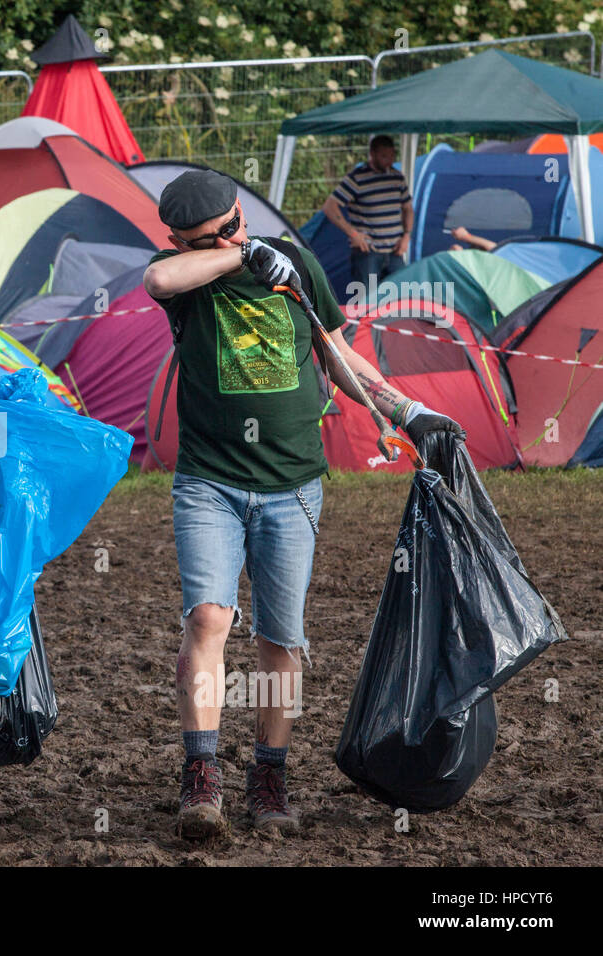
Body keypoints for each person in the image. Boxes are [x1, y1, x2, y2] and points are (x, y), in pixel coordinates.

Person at [142, 169, 464, 838]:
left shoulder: (299, 266)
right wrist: (238, 255)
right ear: (181, 240)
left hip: (292, 485)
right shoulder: (186, 277)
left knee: (279, 639)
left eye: (237, 223)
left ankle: (270, 775)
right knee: (207, 618)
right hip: (209, 482)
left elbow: (341, 357)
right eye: (214, 236)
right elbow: (157, 282)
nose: (235, 235)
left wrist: (409, 412)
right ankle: (201, 777)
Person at [322, 135, 414, 292]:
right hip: (368, 252)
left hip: (395, 250)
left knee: (402, 295)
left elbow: (408, 209)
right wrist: (353, 233)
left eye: (392, 156)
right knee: (366, 299)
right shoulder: (357, 178)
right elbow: (330, 206)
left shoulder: (397, 177)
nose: (389, 161)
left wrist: (406, 236)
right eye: (384, 156)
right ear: (373, 154)